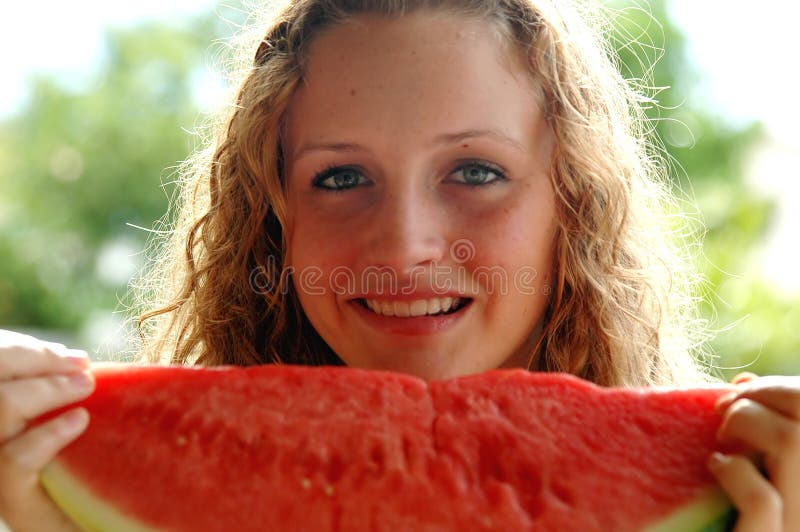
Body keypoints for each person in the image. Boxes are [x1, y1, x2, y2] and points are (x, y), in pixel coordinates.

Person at [0, 0, 797, 530]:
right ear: (276, 219)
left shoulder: (758, 483)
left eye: (476, 172)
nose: (405, 244)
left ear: (573, 203)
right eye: (340, 178)